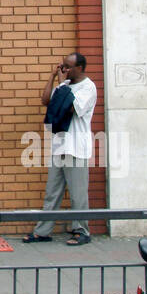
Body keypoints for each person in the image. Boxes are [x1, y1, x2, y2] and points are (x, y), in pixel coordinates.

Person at [23, 51, 97, 246]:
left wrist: (62, 84)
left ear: (79, 68)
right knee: (52, 192)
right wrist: (53, 77)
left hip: (76, 148)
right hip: (59, 147)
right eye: (63, 65)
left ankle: (81, 231)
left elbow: (70, 108)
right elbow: (46, 100)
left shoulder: (88, 88)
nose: (65, 69)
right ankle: (43, 231)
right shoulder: (63, 85)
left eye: (69, 66)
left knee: (78, 194)